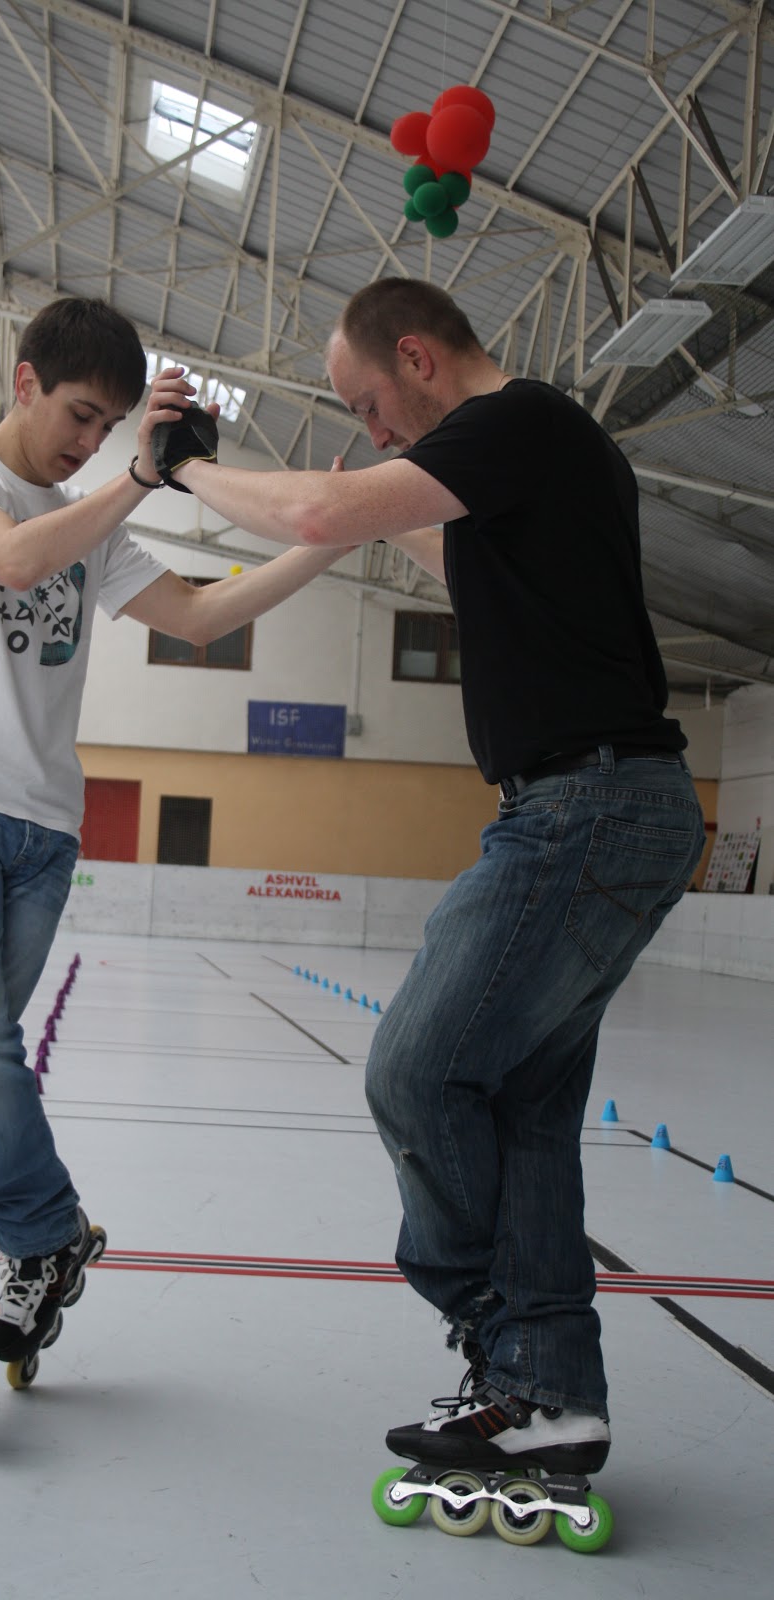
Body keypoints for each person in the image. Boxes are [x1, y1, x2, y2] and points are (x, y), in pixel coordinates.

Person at [156, 276, 706, 1481]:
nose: (372, 431)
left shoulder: (516, 423)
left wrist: (188, 469)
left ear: (416, 357)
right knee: (523, 1116)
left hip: (583, 809)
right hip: (608, 808)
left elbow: (319, 512)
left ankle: (505, 1343)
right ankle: (551, 1397)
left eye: (367, 402)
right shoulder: (527, 460)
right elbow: (389, 527)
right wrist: (276, 484)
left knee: (414, 1068)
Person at [0, 296, 349, 1391]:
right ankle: (45, 1228)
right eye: (78, 415)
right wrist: (138, 480)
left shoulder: (96, 520)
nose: (87, 441)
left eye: (109, 424)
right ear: (23, 383)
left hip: (43, 834)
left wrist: (323, 535)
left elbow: (202, 617)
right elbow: (12, 560)